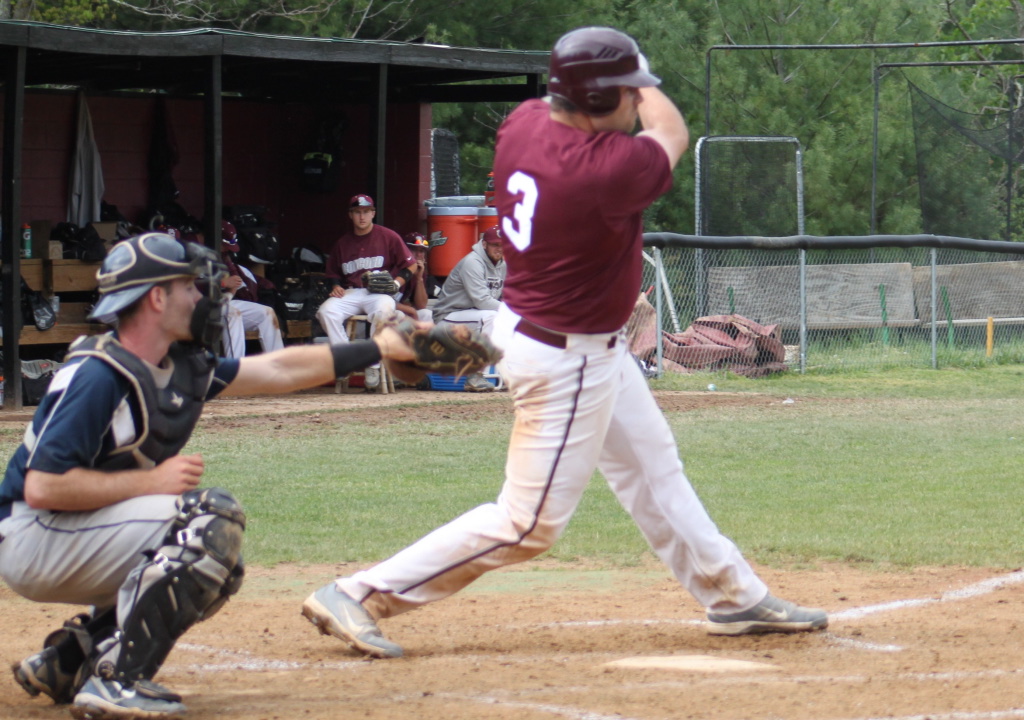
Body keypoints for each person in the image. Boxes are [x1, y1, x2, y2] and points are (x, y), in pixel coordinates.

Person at [300, 26, 826, 661]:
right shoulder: (603, 170)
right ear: (605, 99)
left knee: (656, 471)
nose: (638, 102)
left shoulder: (523, 122)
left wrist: (616, 80)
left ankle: (732, 593)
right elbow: (672, 135)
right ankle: (360, 592)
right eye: (629, 92)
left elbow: (594, 116)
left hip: (568, 339)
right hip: (565, 356)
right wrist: (641, 83)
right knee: (528, 524)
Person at [0, 232, 415, 718]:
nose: (202, 297)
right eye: (189, 287)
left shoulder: (174, 364)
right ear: (157, 297)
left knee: (219, 568)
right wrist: (148, 483)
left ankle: (68, 662)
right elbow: (44, 486)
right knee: (207, 523)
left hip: (70, 530)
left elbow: (278, 369)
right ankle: (116, 681)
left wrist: (380, 348)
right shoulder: (98, 374)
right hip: (33, 534)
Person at [316, 194, 415, 391]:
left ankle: (372, 364)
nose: (362, 217)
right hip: (352, 292)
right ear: (350, 215)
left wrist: (396, 283)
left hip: (379, 293)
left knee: (383, 312)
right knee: (325, 312)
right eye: (357, 212)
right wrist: (335, 285)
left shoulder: (388, 236)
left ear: (373, 214)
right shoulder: (342, 243)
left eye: (366, 212)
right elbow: (332, 273)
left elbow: (410, 266)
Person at [430, 225, 506, 392]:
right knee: (493, 317)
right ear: (484, 244)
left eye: (502, 245)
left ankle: (507, 374)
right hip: (448, 317)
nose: (499, 249)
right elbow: (482, 301)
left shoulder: (503, 264)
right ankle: (477, 376)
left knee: (509, 320)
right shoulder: (473, 262)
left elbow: (508, 296)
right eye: (495, 245)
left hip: (472, 316)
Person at [219, 219, 285, 358]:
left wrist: (230, 292)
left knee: (266, 313)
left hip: (222, 301)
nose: (227, 250)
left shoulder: (224, 256)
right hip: (200, 304)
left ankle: (279, 366)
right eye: (225, 245)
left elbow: (235, 276)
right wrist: (222, 283)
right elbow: (191, 284)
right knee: (232, 313)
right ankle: (236, 371)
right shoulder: (197, 252)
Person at [395, 232, 433, 323]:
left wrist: (419, 278)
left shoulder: (420, 270)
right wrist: (409, 309)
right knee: (398, 315)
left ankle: (423, 337)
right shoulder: (395, 268)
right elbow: (384, 302)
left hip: (405, 311)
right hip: (386, 312)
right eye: (414, 250)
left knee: (426, 313)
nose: (419, 255)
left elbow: (421, 305)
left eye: (421, 251)